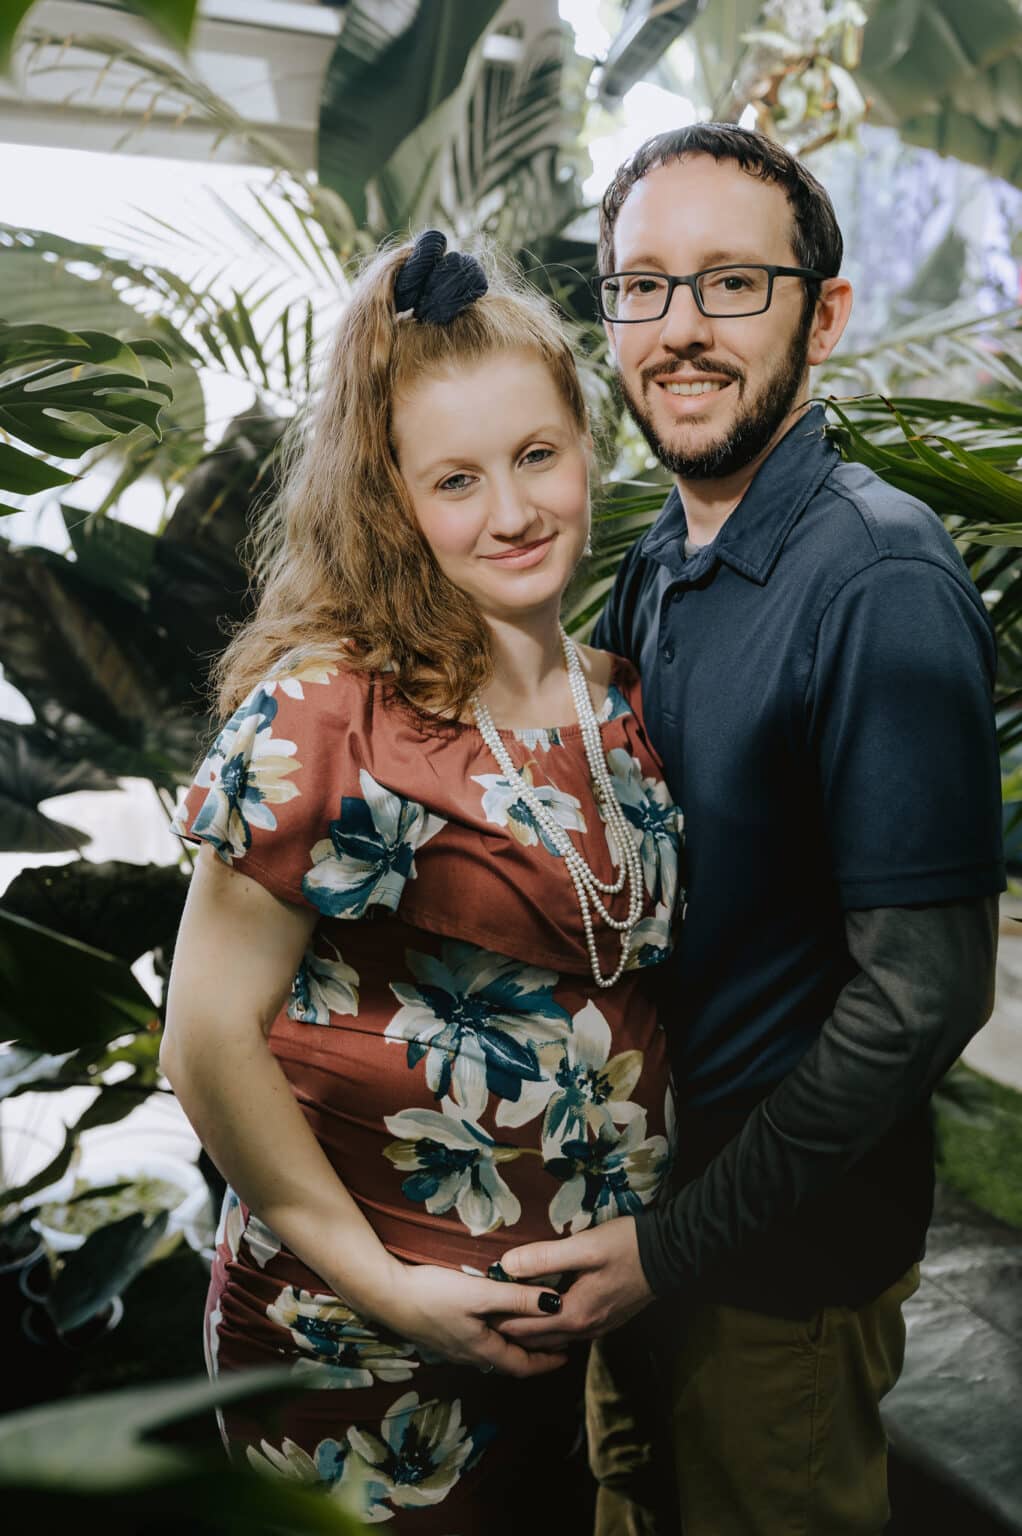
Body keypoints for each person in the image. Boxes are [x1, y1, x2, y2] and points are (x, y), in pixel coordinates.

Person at [495, 124, 1004, 1536]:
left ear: (820, 317)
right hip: (634, 1226)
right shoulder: (663, 557)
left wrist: (674, 1246)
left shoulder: (878, 579)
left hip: (774, 1277)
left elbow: (922, 996)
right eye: (642, 286)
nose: (678, 328)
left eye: (730, 283)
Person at [161, 230, 682, 1533]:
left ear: (585, 447)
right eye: (455, 479)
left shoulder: (619, 701)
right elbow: (205, 1041)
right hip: (354, 1351)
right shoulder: (324, 716)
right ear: (390, 501)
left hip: (580, 1347)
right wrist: (388, 1288)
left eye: (536, 456)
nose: (512, 512)